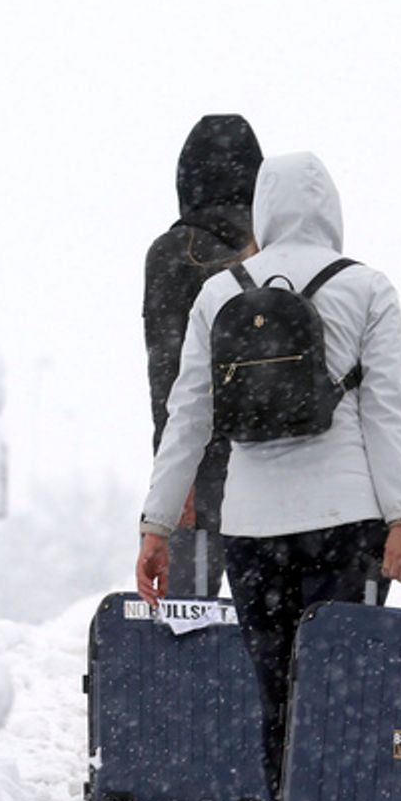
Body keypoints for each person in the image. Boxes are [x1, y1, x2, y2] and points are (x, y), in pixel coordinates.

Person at [135, 151, 401, 801]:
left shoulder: (219, 292)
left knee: (275, 691)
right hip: (348, 525)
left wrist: (156, 526)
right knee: (342, 691)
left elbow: (189, 415)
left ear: (263, 209)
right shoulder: (368, 287)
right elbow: (387, 412)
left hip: (252, 529)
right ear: (332, 209)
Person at [142, 115, 264, 598]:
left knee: (189, 628)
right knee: (271, 632)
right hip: (282, 464)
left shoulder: (176, 252)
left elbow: (168, 374)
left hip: (203, 461)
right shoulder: (275, 248)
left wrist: (172, 480)